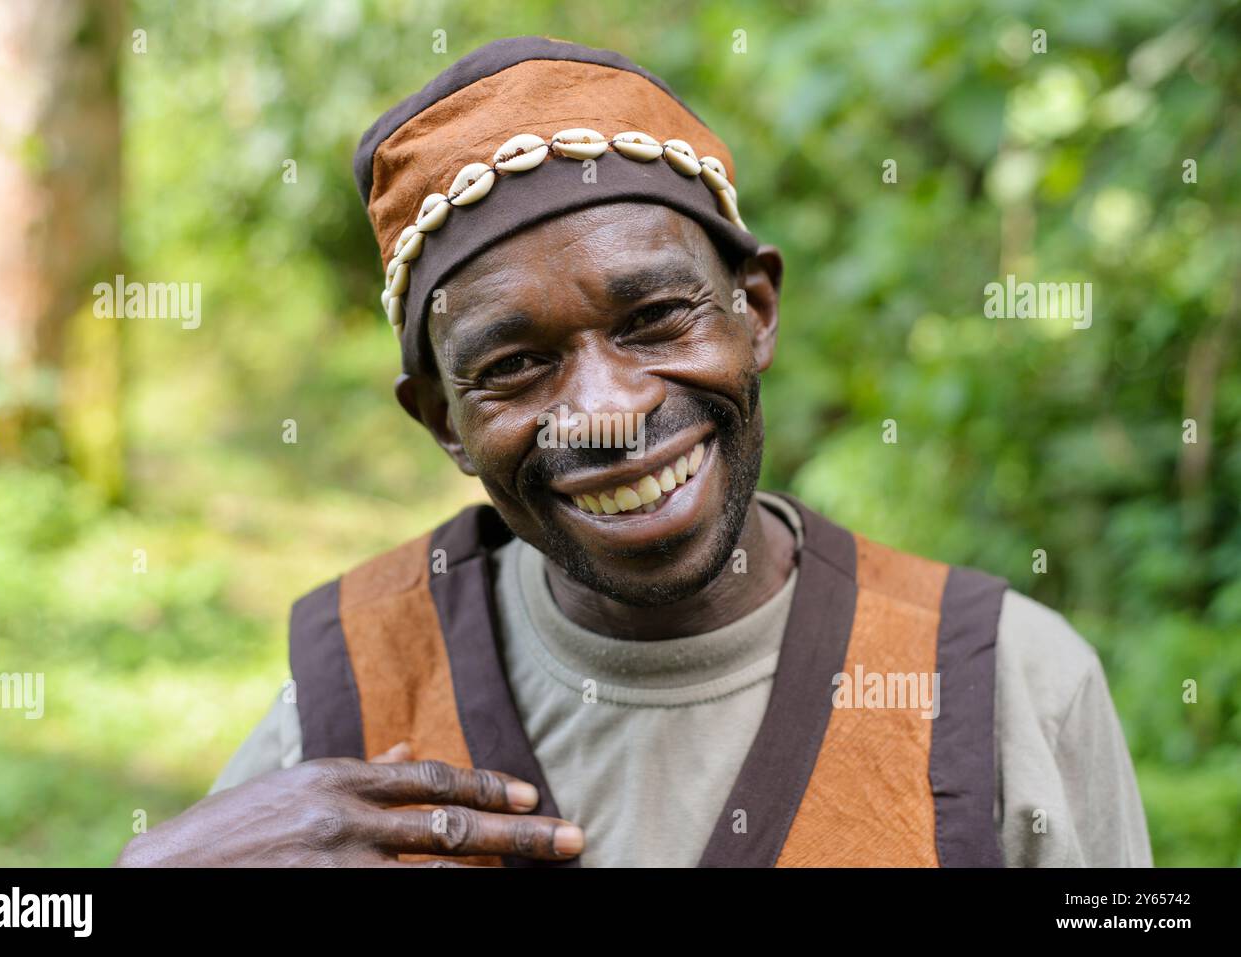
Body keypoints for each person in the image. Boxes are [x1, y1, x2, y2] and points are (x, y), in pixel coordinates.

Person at [117, 36, 1152, 868]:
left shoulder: (1003, 682)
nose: (605, 411)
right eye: (514, 365)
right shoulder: (350, 687)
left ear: (754, 312)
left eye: (656, 318)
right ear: (440, 419)